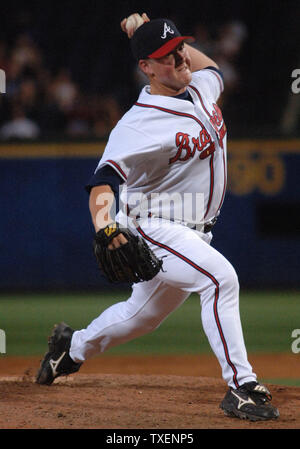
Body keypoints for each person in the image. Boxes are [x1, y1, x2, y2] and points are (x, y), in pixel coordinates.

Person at [36, 13, 279, 422]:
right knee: (221, 280)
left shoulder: (201, 87)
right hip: (155, 225)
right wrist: (105, 225)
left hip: (195, 233)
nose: (180, 58)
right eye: (165, 56)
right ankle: (242, 386)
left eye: (180, 47)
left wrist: (150, 39)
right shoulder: (138, 123)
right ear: (145, 67)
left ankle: (69, 349)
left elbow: (213, 68)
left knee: (141, 317)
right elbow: (102, 183)